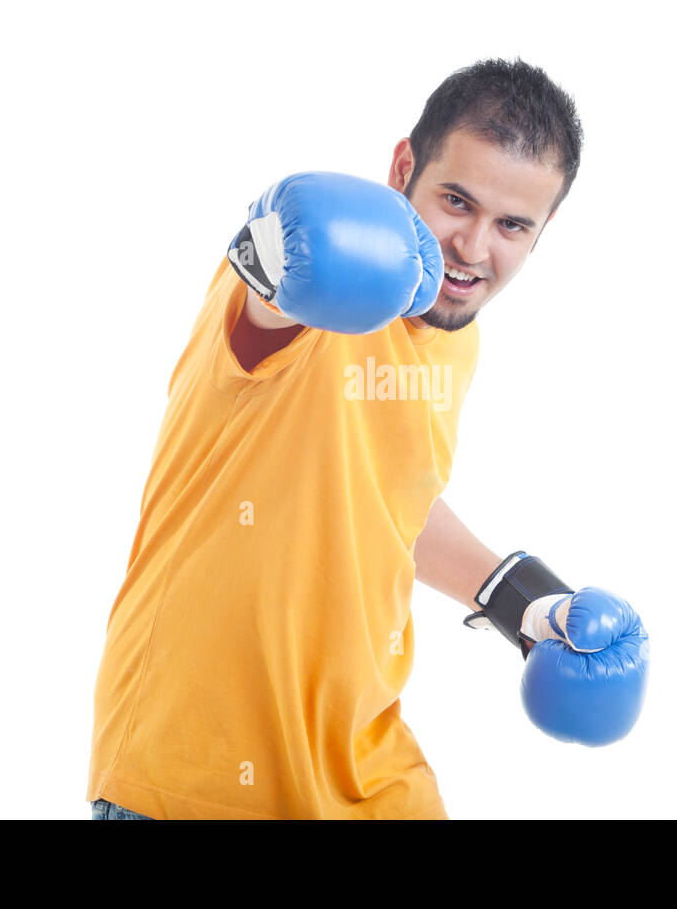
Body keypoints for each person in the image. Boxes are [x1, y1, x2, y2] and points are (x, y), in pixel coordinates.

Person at [87, 57, 647, 820]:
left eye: (513, 224)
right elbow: (268, 302)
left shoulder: (457, 342)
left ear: (543, 231)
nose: (474, 248)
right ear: (402, 168)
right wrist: (282, 261)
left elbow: (388, 494)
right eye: (456, 201)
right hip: (196, 775)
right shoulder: (311, 294)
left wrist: (525, 602)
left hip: (366, 772)